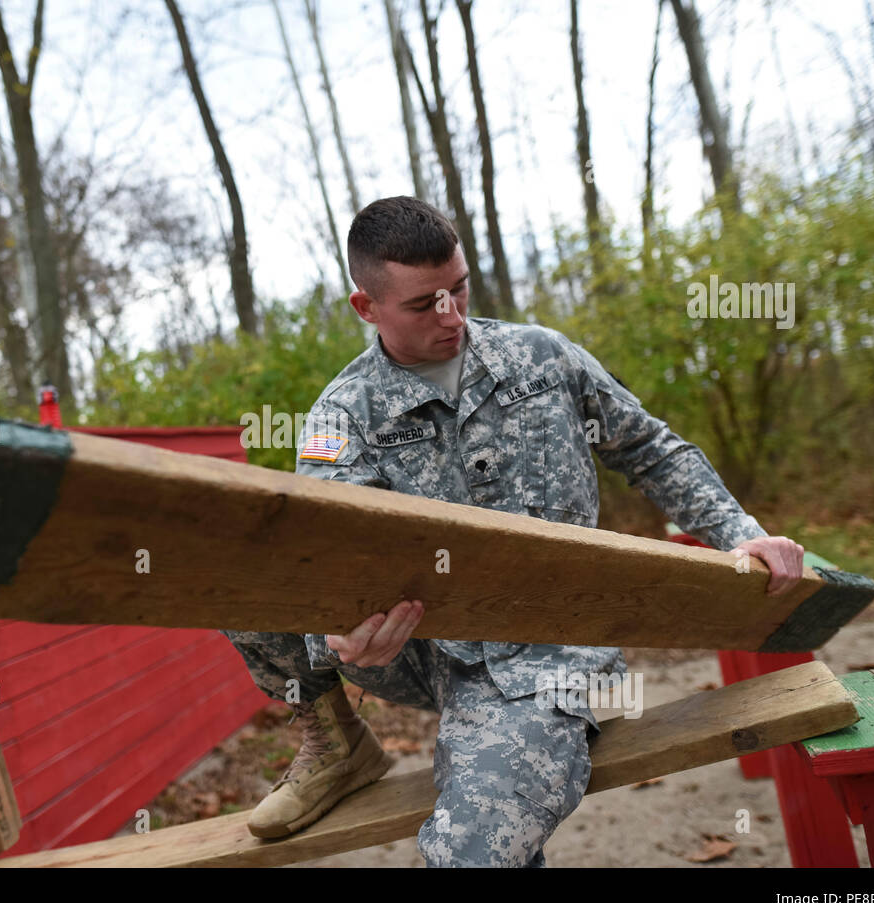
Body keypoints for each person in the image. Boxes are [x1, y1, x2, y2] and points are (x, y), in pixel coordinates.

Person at [223, 196, 805, 867]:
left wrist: (741, 531)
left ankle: (507, 753)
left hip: (551, 654)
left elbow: (649, 447)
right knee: (235, 568)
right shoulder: (344, 414)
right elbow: (325, 549)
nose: (451, 315)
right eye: (422, 304)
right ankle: (336, 743)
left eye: (459, 289)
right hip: (424, 645)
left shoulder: (539, 357)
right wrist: (338, 630)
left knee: (474, 851)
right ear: (366, 307)